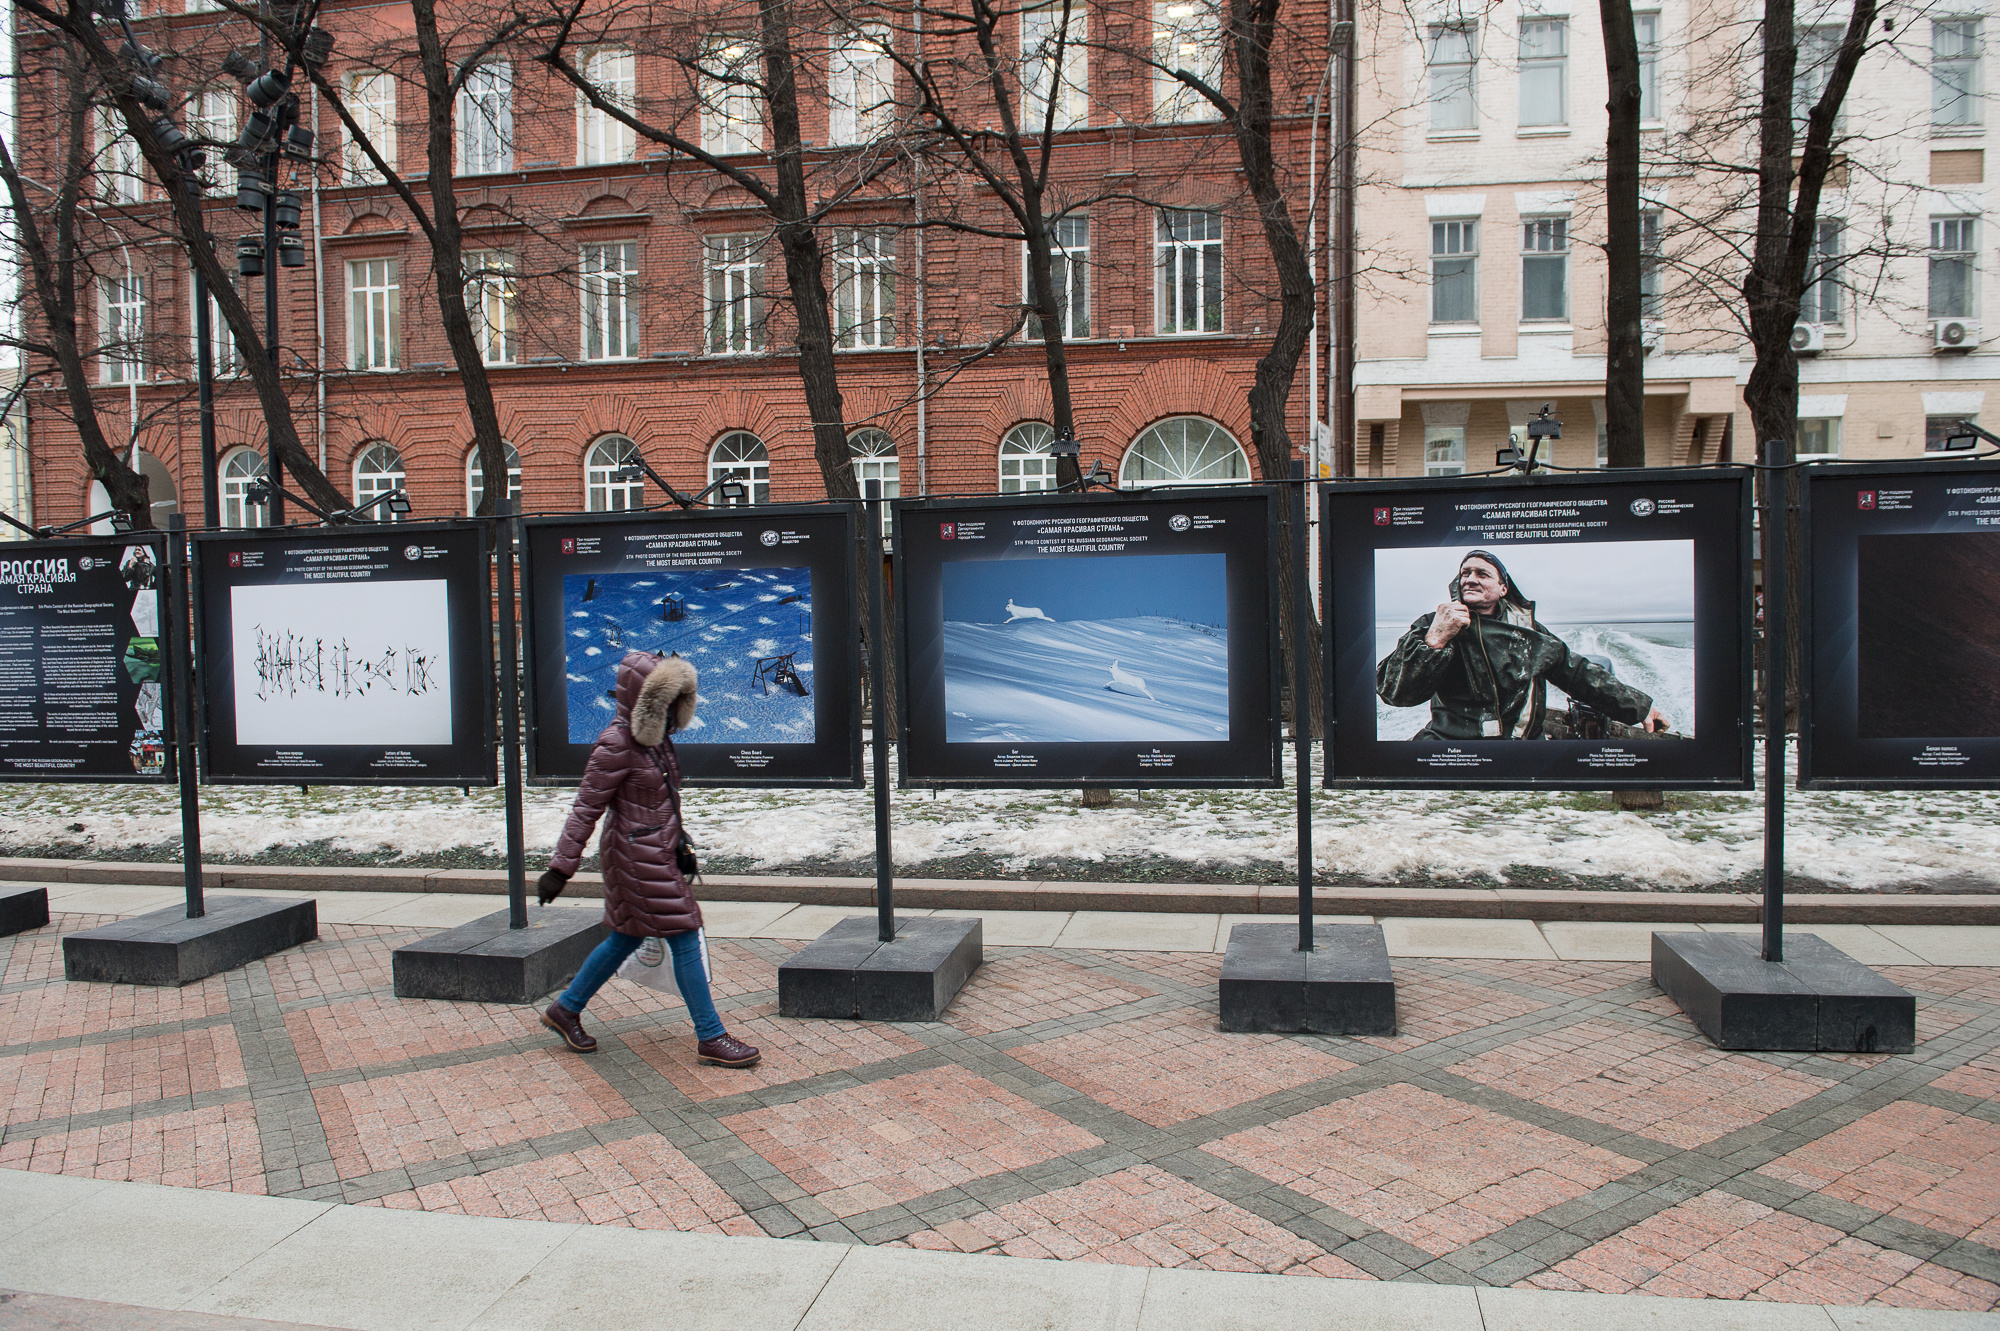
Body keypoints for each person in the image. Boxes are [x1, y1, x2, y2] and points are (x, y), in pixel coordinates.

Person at [536, 649, 760, 1067]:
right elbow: (586, 808)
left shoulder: (657, 743)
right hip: (635, 860)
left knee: (625, 938)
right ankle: (711, 1036)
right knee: (685, 935)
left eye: (682, 698)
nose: (679, 708)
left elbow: (660, 804)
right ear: (648, 702)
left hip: (656, 853)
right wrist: (559, 869)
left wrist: (681, 842)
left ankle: (565, 1009)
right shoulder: (616, 744)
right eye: (671, 699)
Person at [1376, 549, 1671, 741]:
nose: (1470, 579)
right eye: (1465, 573)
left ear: (1503, 588)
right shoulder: (1432, 623)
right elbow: (1394, 693)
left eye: (1482, 573)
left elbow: (1577, 672)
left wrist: (1641, 708)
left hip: (1519, 747)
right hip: (1450, 744)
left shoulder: (1528, 633)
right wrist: (1435, 640)